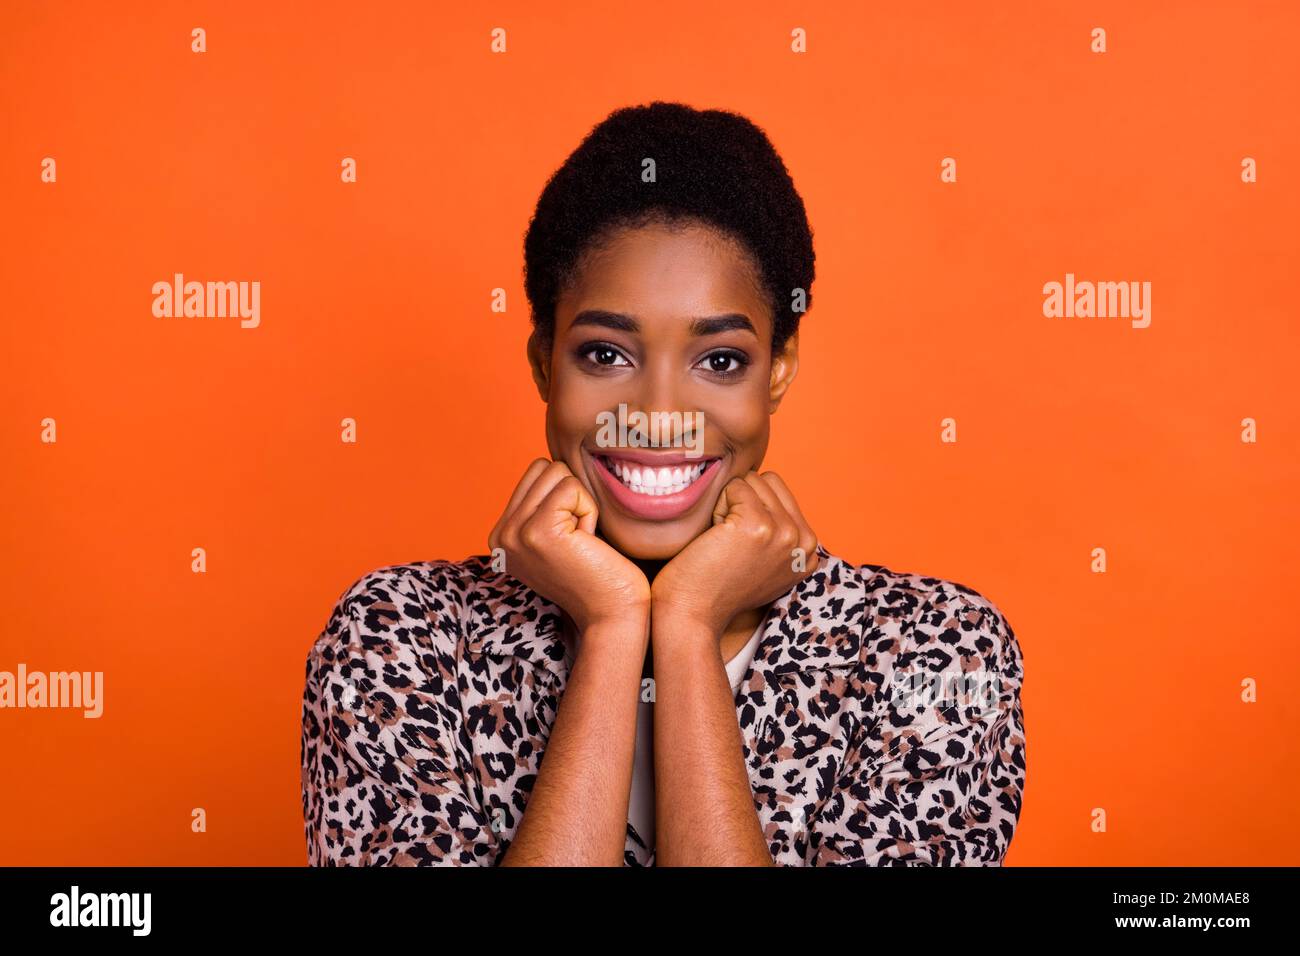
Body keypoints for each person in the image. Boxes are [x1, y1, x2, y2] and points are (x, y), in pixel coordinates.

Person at [300, 100, 1026, 866]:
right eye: (606, 354)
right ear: (544, 361)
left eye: (720, 361)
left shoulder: (931, 655)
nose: (658, 416)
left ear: (778, 370)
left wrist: (685, 630)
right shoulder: (403, 642)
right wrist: (616, 632)